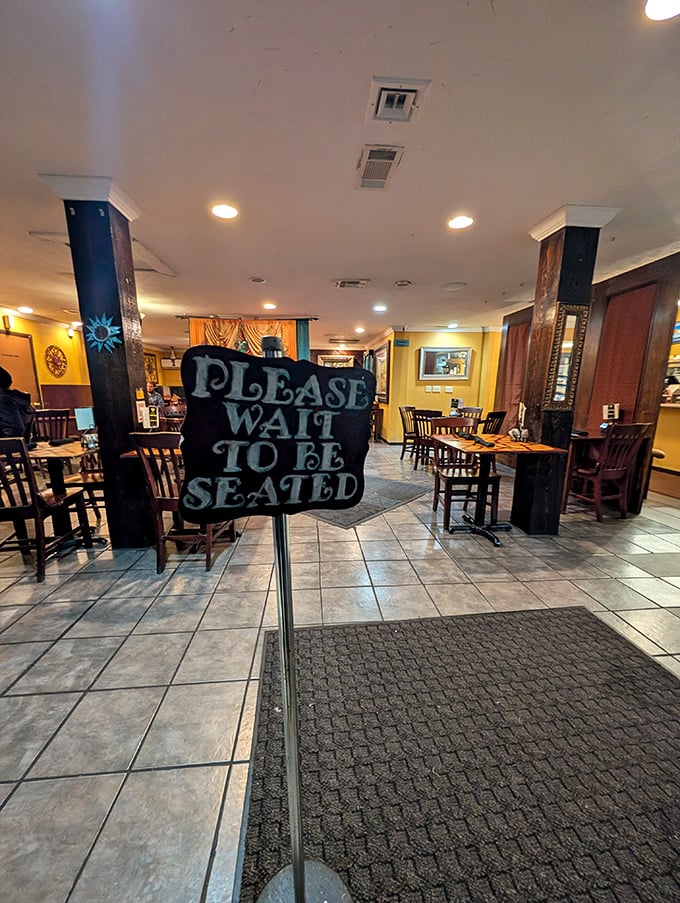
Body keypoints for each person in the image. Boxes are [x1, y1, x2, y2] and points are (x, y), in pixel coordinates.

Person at [0, 366, 36, 439]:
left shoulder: (4, 401)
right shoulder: (17, 399)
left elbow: (14, 433)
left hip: (10, 448)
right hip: (21, 447)